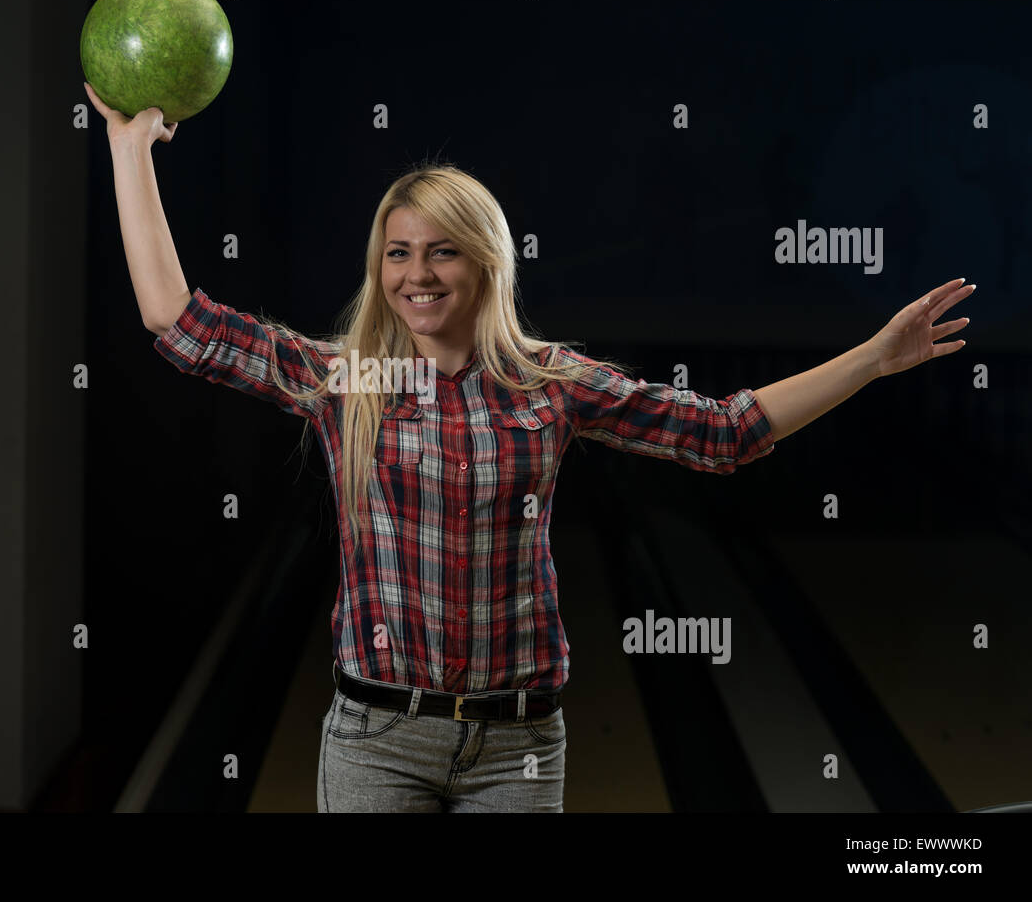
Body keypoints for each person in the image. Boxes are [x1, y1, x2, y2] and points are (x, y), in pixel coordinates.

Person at [85, 83, 976, 812]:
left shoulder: (549, 381)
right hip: (377, 743)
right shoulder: (350, 379)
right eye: (397, 254)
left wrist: (873, 357)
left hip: (516, 746)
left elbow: (725, 431)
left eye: (441, 252)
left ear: (486, 263)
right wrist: (129, 151)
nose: (416, 274)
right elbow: (178, 320)